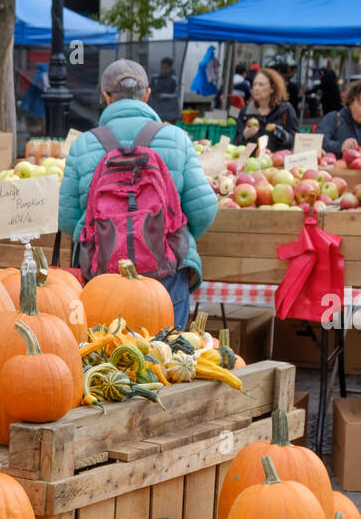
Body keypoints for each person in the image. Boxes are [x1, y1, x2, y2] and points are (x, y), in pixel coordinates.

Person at [58, 59, 217, 330]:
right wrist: (166, 237)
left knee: (105, 358)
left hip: (102, 276)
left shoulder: (84, 144)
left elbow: (66, 219)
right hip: (166, 271)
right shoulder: (176, 138)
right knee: (166, 360)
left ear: (105, 96)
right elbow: (204, 209)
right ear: (147, 95)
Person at [233, 67, 299, 153]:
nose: (256, 88)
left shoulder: (285, 110)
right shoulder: (245, 112)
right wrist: (244, 136)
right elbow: (235, 144)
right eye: (254, 84)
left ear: (272, 88)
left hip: (277, 163)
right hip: (251, 163)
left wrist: (279, 132)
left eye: (261, 85)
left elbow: (295, 141)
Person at [322, 80, 361, 158]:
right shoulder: (334, 118)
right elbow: (319, 141)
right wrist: (341, 146)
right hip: (335, 168)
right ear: (351, 102)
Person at [149, 57, 181, 124]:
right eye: (162, 67)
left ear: (170, 68)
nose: (163, 70)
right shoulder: (154, 78)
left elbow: (176, 94)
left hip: (170, 111)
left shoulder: (173, 79)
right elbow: (150, 90)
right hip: (157, 109)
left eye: (165, 68)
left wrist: (164, 95)